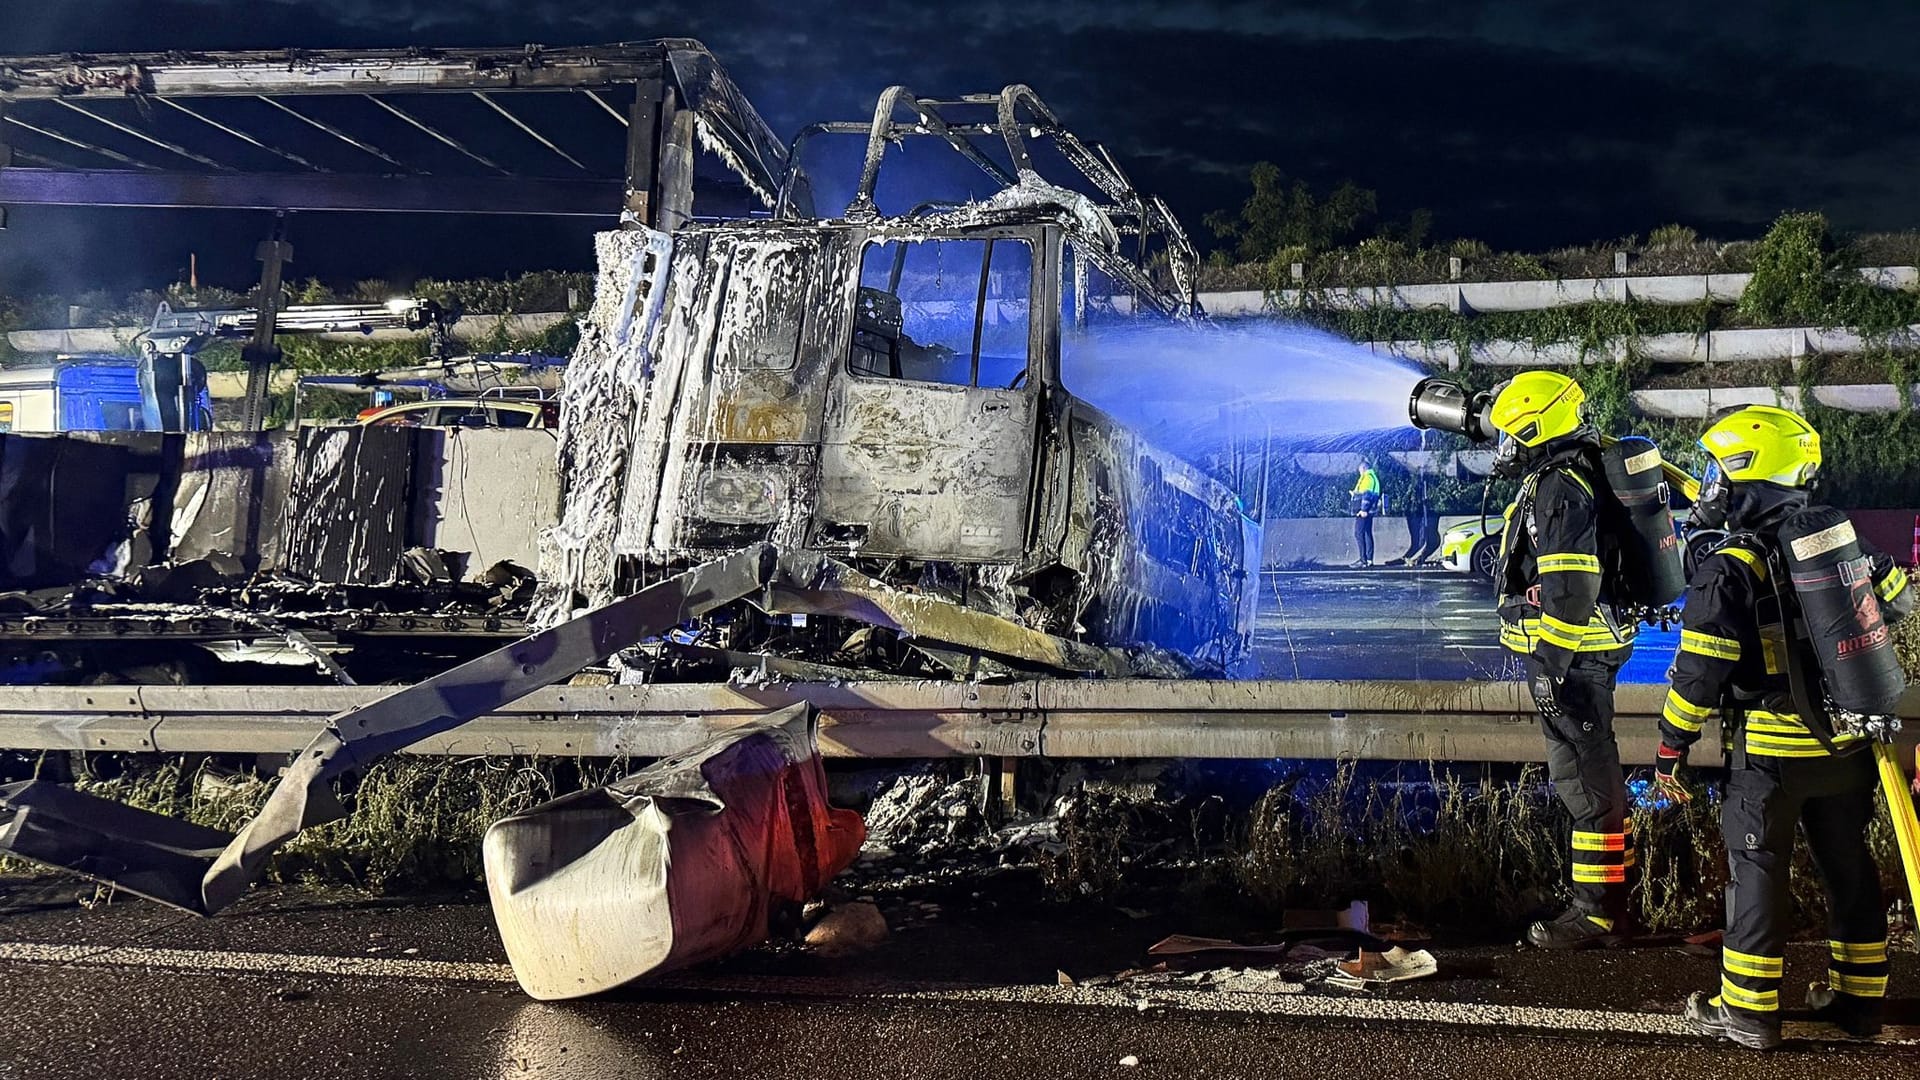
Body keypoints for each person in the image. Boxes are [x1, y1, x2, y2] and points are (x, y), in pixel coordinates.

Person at [1652, 405, 1912, 1051]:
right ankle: (1860, 1003)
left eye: (1718, 470)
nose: (1710, 484)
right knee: (1848, 869)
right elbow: (1900, 599)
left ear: (1747, 475)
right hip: (1847, 746)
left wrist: (1670, 745)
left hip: (1769, 758)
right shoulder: (1835, 543)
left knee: (1757, 873)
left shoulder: (1730, 565)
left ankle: (1748, 1011)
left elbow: (1699, 675)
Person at [1485, 370, 1640, 950]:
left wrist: (1550, 663)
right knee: (1588, 780)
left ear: (1535, 428)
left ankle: (1597, 913)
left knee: (1587, 783)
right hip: (1581, 653)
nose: (1505, 446)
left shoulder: (1559, 486)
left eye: (1512, 433)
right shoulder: (1575, 469)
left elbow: (1571, 587)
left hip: (1574, 660)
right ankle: (1606, 905)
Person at [1395, 469, 1442, 566]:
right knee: (1420, 541)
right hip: (1418, 510)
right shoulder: (1415, 488)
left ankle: (1415, 558)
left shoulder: (1429, 490)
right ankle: (1411, 558)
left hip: (1423, 510)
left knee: (1427, 540)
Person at [1350, 461, 1381, 567]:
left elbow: (1366, 495)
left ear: (1363, 469)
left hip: (1364, 511)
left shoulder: (1367, 478)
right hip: (1369, 511)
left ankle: (1363, 560)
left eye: (1360, 471)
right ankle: (1369, 559)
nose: (1360, 473)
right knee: (1367, 533)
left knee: (1358, 533)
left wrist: (1363, 509)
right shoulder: (1373, 477)